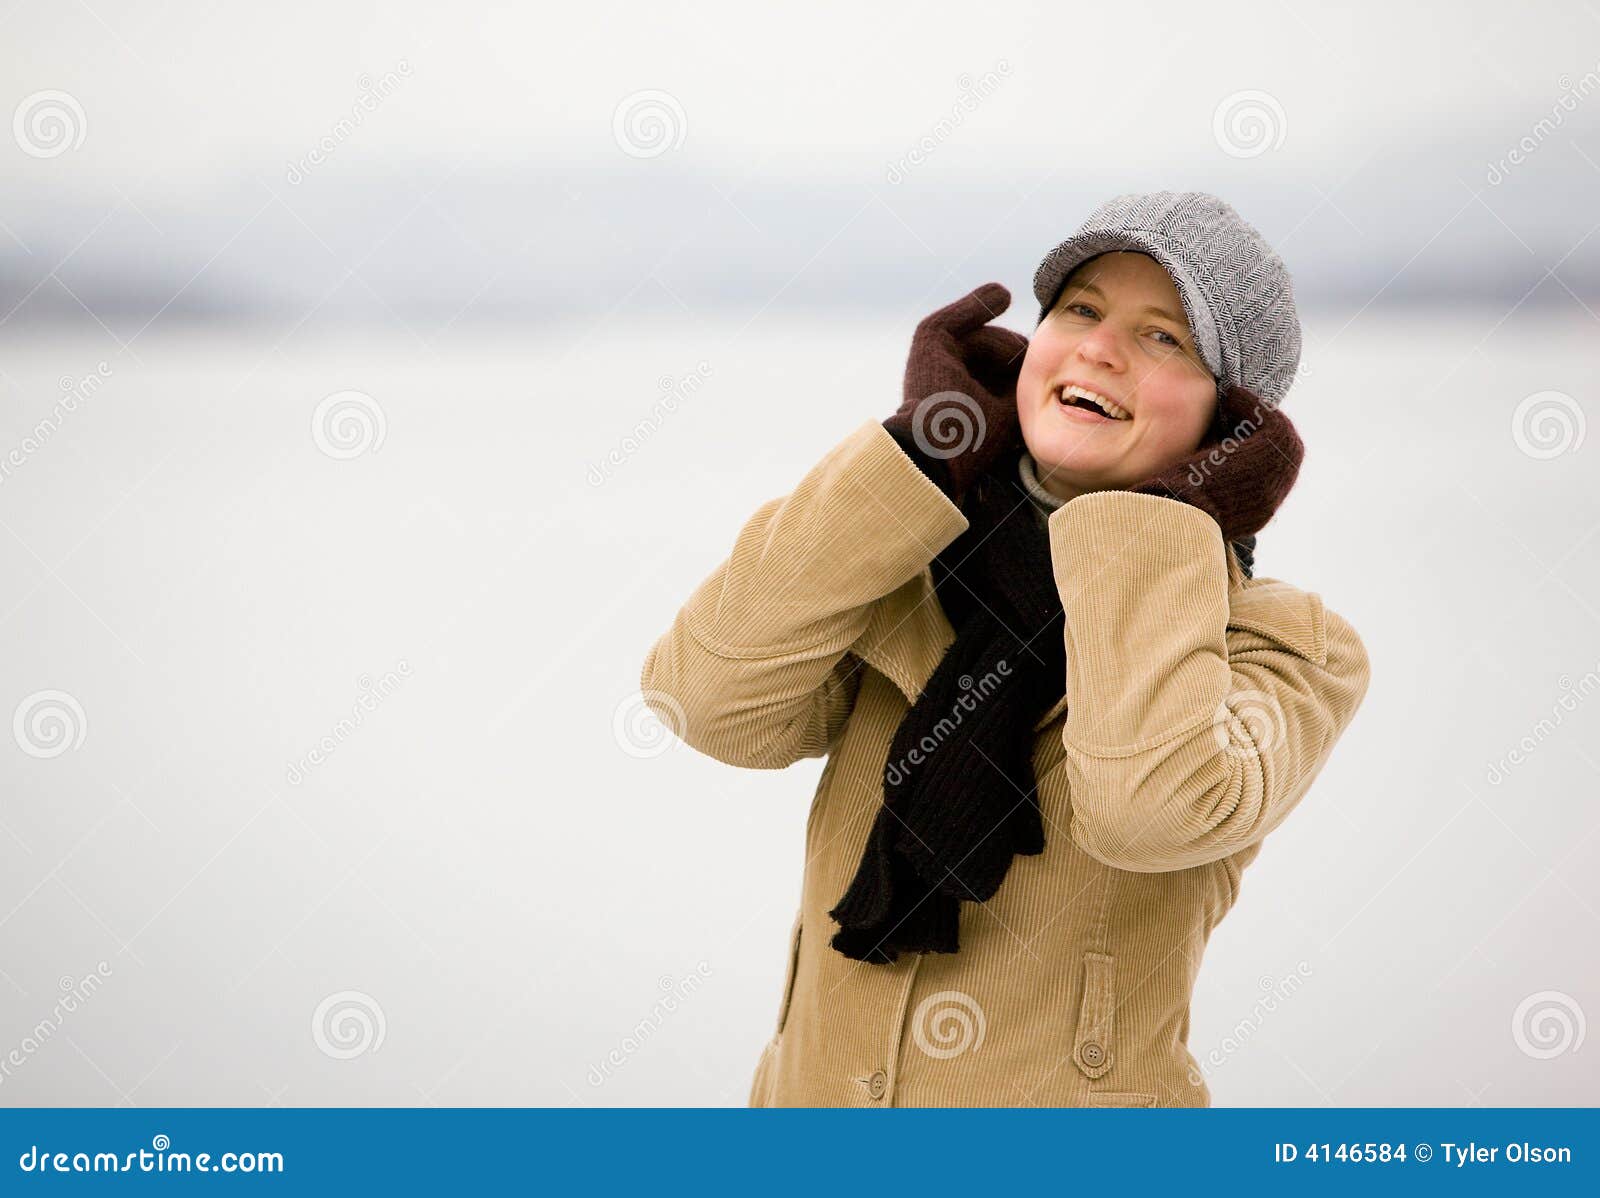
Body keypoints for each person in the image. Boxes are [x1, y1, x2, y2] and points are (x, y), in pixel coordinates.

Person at [639, 191, 1371, 1107]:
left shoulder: (1284, 647)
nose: (1100, 348)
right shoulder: (895, 562)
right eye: (1082, 310)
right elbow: (705, 702)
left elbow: (1150, 812)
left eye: (1164, 338)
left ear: (1232, 422)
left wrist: (1158, 524)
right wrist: (917, 460)